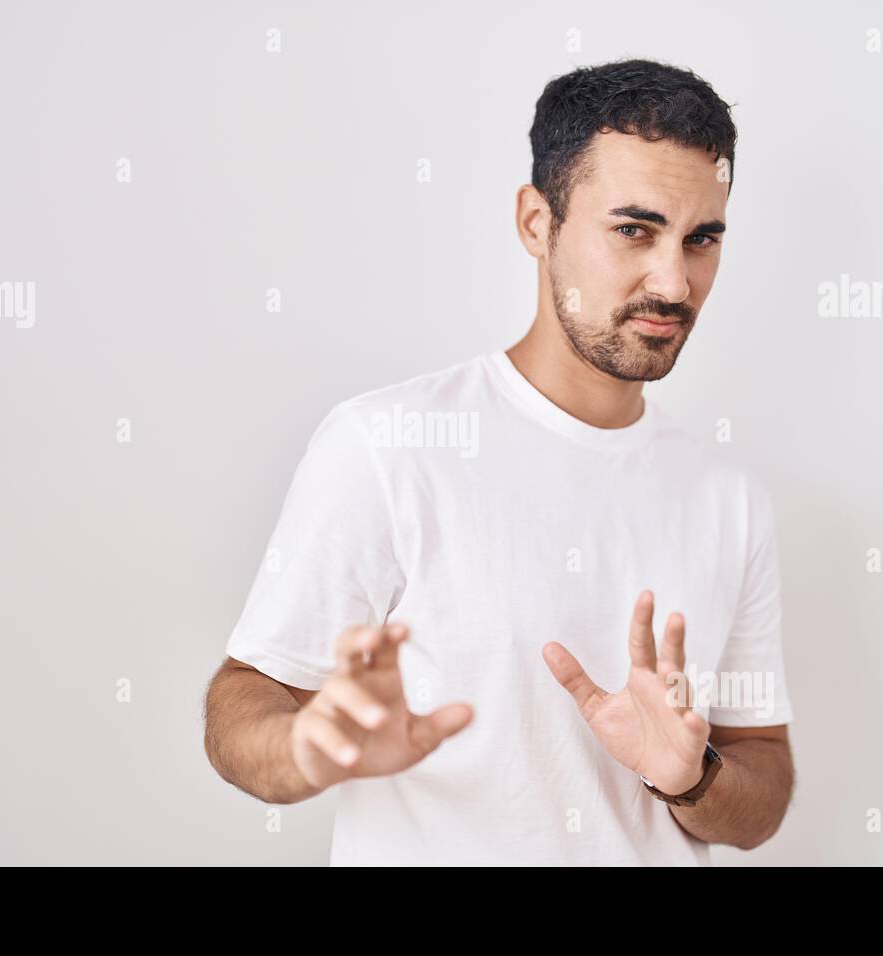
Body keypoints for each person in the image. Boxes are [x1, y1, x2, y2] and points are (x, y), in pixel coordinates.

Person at [203, 58, 795, 865]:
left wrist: (692, 778)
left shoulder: (730, 500)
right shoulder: (387, 445)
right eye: (634, 229)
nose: (674, 280)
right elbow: (247, 695)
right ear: (536, 223)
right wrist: (309, 746)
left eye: (702, 240)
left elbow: (761, 787)